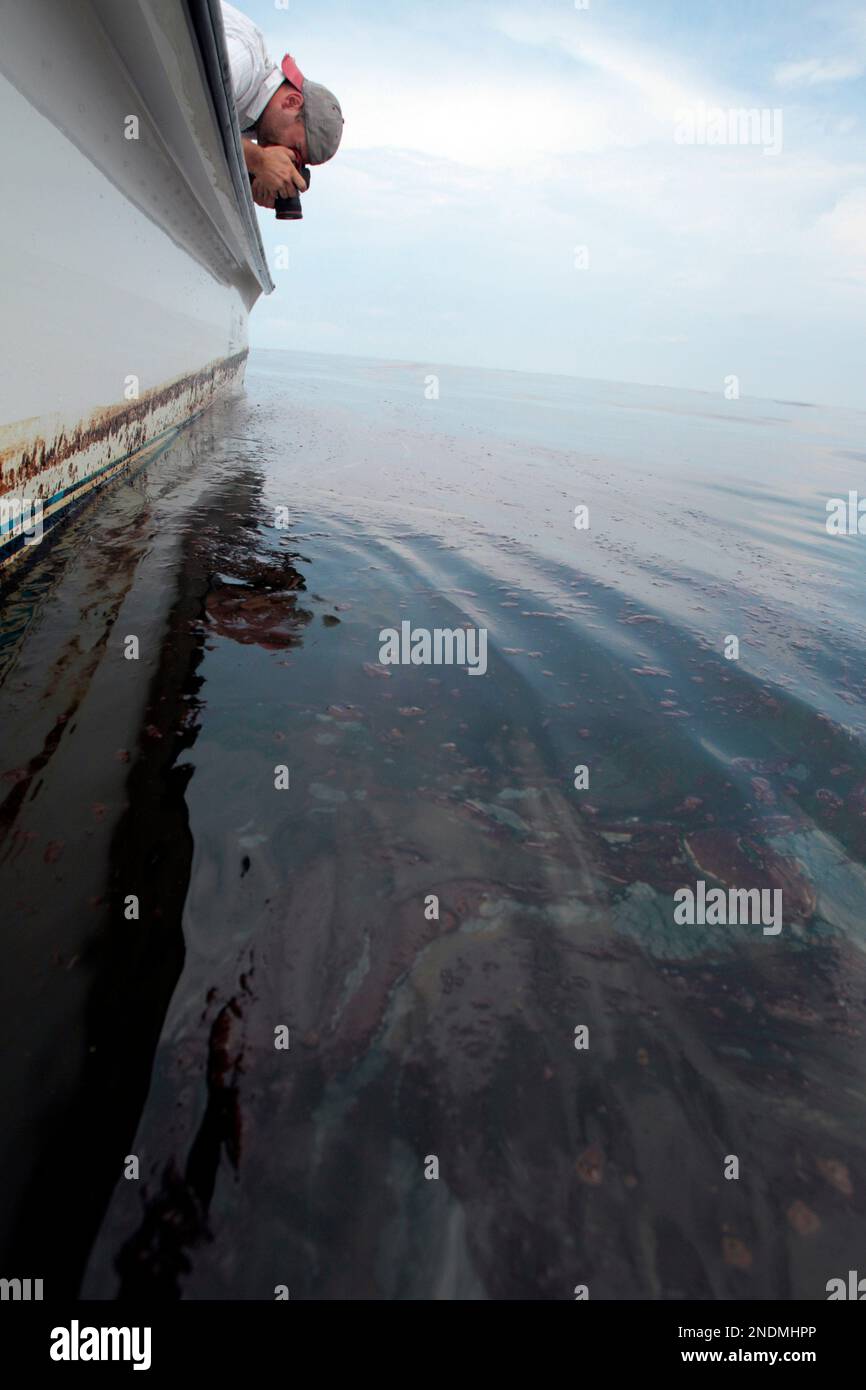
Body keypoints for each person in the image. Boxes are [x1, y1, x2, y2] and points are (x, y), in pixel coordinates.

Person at [220, 1, 344, 209]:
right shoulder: (244, 62)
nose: (284, 157)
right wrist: (257, 159)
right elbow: (177, 109)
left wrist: (245, 183)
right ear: (292, 102)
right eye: (294, 149)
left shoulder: (247, 119)